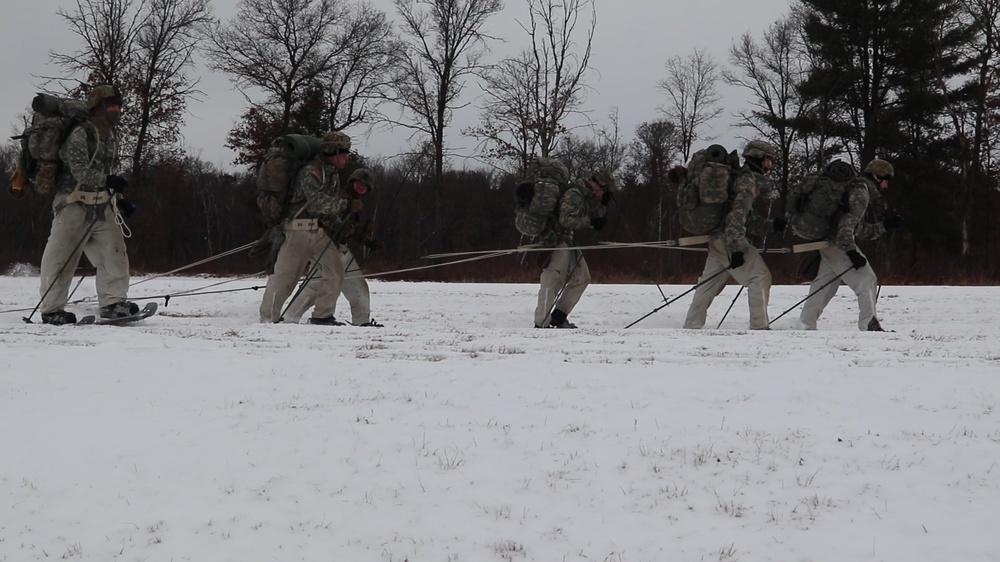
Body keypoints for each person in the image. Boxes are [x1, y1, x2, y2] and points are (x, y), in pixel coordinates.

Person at [37, 84, 138, 325]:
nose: (116, 110)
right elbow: (79, 170)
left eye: (118, 105)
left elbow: (110, 169)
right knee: (60, 259)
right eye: (110, 105)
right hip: (72, 203)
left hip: (103, 205)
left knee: (114, 254)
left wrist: (121, 201)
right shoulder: (80, 133)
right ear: (98, 107)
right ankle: (52, 310)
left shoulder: (111, 137)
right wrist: (108, 180)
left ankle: (113, 303)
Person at [683, 140, 780, 330]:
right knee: (760, 277)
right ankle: (760, 326)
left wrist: (771, 225)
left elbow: (746, 218)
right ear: (760, 158)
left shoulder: (739, 177)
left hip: (718, 238)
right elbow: (737, 216)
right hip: (728, 240)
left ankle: (692, 324)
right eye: (769, 160)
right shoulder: (747, 181)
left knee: (709, 284)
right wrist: (736, 249)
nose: (770, 165)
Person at [258, 131, 353, 324]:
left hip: (318, 231)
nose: (346, 157)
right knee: (286, 278)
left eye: (347, 152)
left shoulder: (332, 174)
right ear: (330, 150)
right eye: (342, 152)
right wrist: (346, 205)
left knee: (335, 272)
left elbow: (325, 210)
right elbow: (317, 203)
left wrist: (340, 227)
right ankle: (268, 318)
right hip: (297, 231)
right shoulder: (311, 171)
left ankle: (323, 315)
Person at [799, 158, 899, 331]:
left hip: (828, 240)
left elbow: (856, 228)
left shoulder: (854, 189)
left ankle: (804, 324)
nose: (887, 185)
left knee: (826, 284)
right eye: (886, 180)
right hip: (837, 242)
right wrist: (853, 253)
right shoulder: (861, 193)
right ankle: (869, 323)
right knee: (866, 278)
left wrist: (884, 226)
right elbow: (845, 230)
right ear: (876, 177)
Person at [283, 168, 384, 326]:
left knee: (359, 288)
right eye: (359, 183)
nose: (361, 187)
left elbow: (350, 231)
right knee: (314, 287)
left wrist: (368, 240)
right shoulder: (338, 198)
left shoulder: (356, 205)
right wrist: (342, 227)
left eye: (365, 186)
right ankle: (289, 318)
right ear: (352, 182)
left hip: (342, 251)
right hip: (327, 249)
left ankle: (362, 322)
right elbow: (326, 219)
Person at [534, 166, 616, 329]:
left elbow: (591, 214)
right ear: (598, 184)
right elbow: (565, 220)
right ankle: (541, 323)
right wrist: (591, 222)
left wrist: (603, 206)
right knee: (552, 279)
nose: (602, 195)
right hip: (556, 240)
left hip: (568, 241)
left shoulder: (585, 196)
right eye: (604, 191)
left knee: (582, 276)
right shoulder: (575, 194)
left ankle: (559, 316)